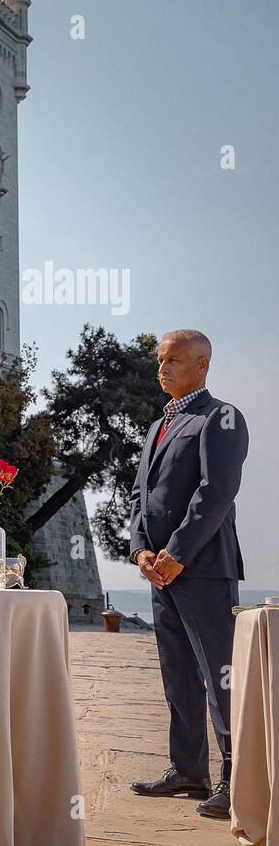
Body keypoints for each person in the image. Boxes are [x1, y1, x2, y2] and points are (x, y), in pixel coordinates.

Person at [128, 329, 248, 820]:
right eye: (160, 360)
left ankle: (235, 777)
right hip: (161, 573)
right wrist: (141, 552)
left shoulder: (219, 417)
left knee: (218, 676)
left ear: (202, 364)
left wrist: (176, 554)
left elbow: (215, 492)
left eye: (174, 360)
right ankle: (188, 770)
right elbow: (138, 495)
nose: (163, 368)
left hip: (202, 570)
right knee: (177, 674)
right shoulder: (158, 425)